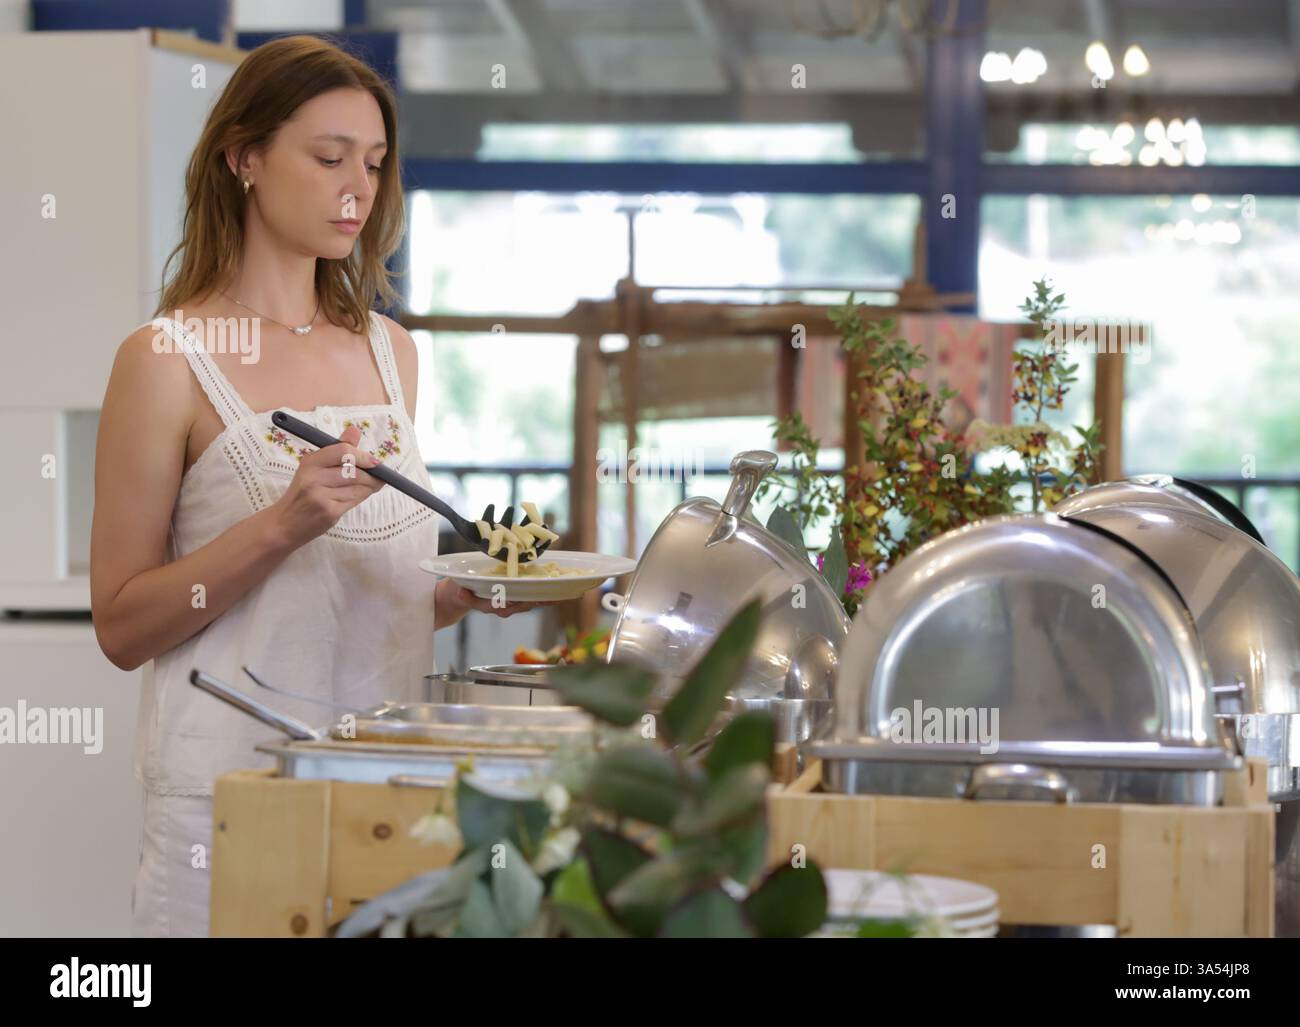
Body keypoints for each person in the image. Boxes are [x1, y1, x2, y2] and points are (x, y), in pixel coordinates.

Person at [89, 35, 543, 937]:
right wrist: (278, 525)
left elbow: (342, 597)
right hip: (229, 800)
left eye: (373, 163)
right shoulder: (165, 360)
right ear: (244, 157)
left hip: (392, 786)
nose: (358, 186)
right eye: (329, 157)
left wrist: (449, 595)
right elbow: (122, 624)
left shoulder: (392, 352)